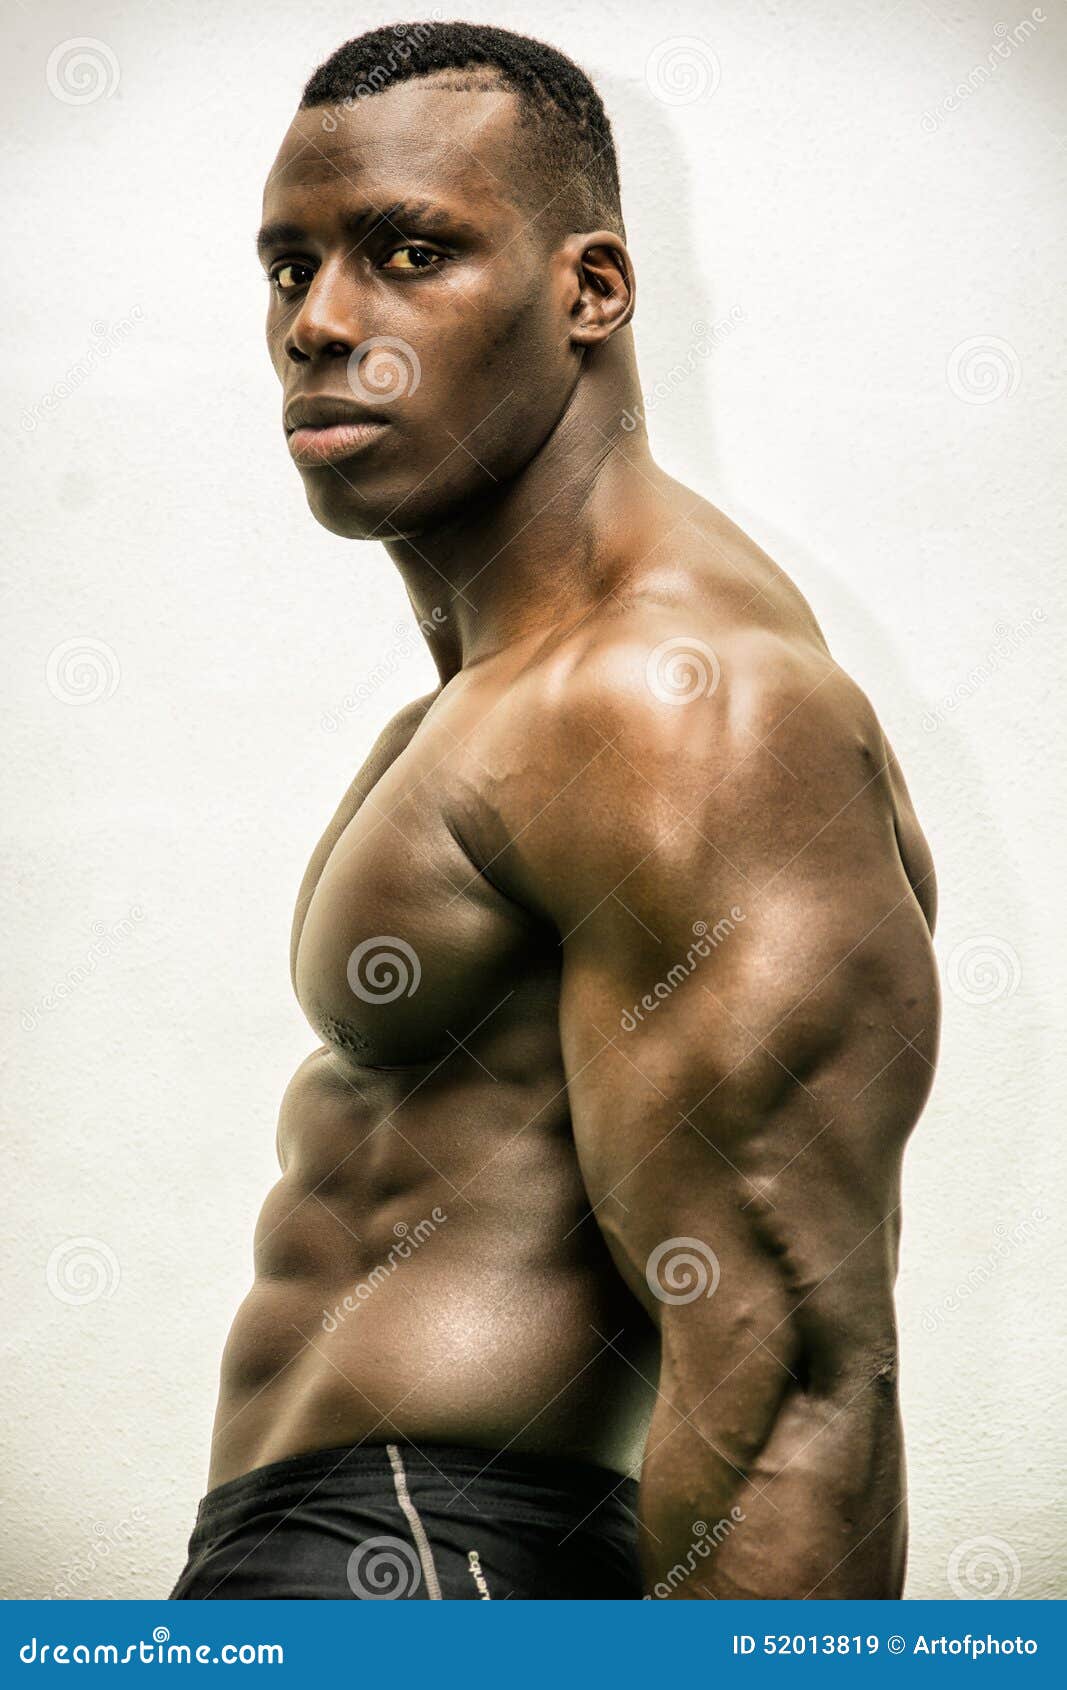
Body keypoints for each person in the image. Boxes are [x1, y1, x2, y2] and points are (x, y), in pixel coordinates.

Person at [170, 21, 939, 1601]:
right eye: (289, 267)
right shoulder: (497, 698)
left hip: (426, 1562)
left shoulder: (676, 698)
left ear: (591, 289)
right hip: (375, 1553)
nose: (320, 322)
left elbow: (797, 1384)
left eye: (407, 253)